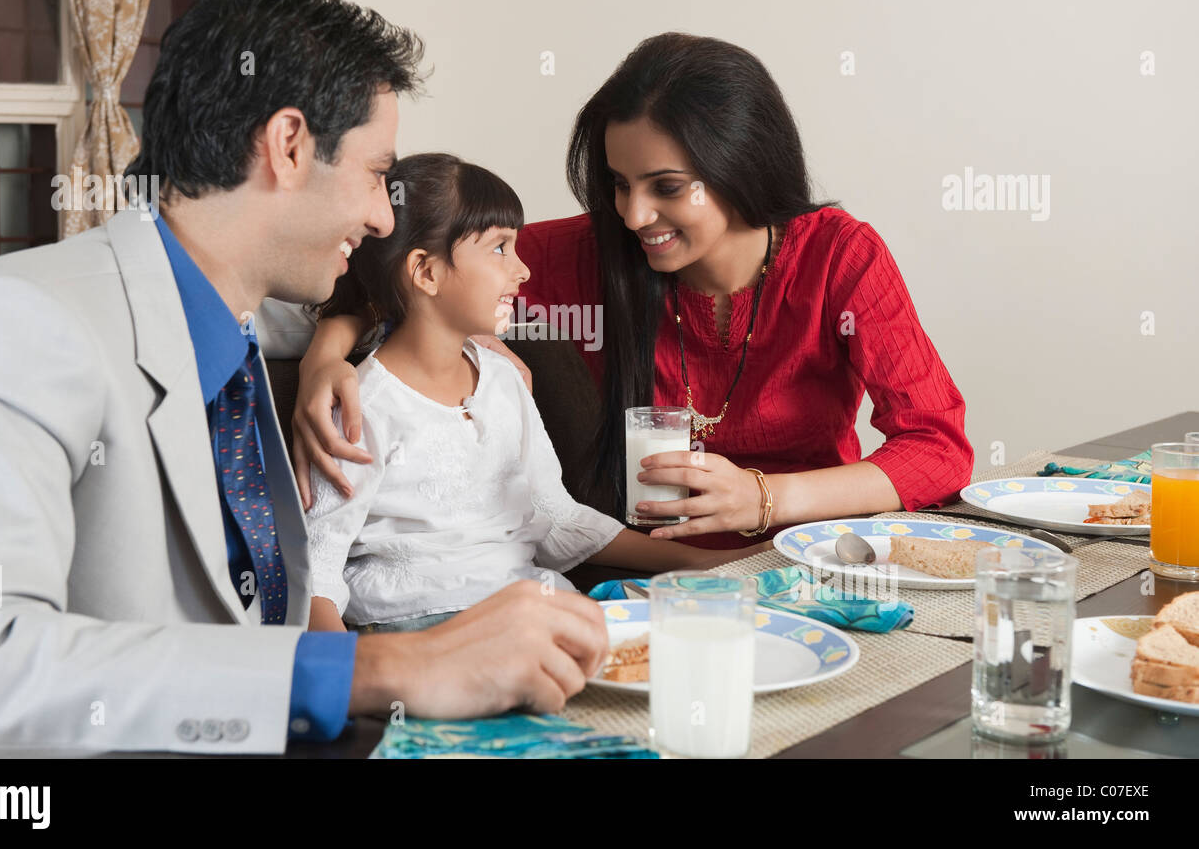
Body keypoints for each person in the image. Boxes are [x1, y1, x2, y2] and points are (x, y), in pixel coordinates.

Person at [0, 0, 610, 758]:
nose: (382, 218)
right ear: (289, 145)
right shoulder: (19, 319)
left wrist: (335, 349)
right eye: (377, 174)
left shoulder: (246, 311)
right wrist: (382, 666)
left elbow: (384, 300)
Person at [290, 33, 974, 550]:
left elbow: (938, 448)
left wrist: (765, 498)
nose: (634, 215)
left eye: (666, 188)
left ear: (743, 167)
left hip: (812, 562)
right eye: (620, 183)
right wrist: (325, 357)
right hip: (652, 583)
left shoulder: (838, 258)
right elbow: (404, 267)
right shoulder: (596, 255)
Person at [299, 153, 769, 634]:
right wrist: (354, 677)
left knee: (692, 632)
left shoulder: (502, 379)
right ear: (427, 272)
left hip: (526, 608)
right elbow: (319, 564)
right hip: (417, 626)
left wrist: (709, 562)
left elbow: (555, 518)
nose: (522, 270)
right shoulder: (364, 406)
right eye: (501, 248)